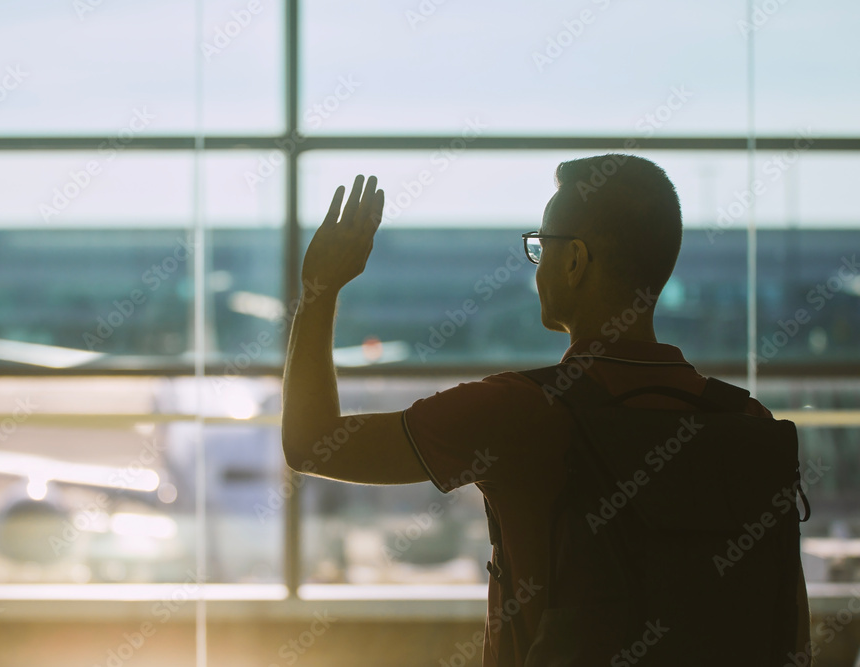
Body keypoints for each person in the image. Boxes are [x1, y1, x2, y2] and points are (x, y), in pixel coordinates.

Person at [280, 155, 811, 665]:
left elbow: (312, 441)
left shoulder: (519, 411)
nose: (537, 264)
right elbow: (789, 621)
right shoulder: (745, 421)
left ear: (575, 260)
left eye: (542, 245)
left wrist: (318, 290)